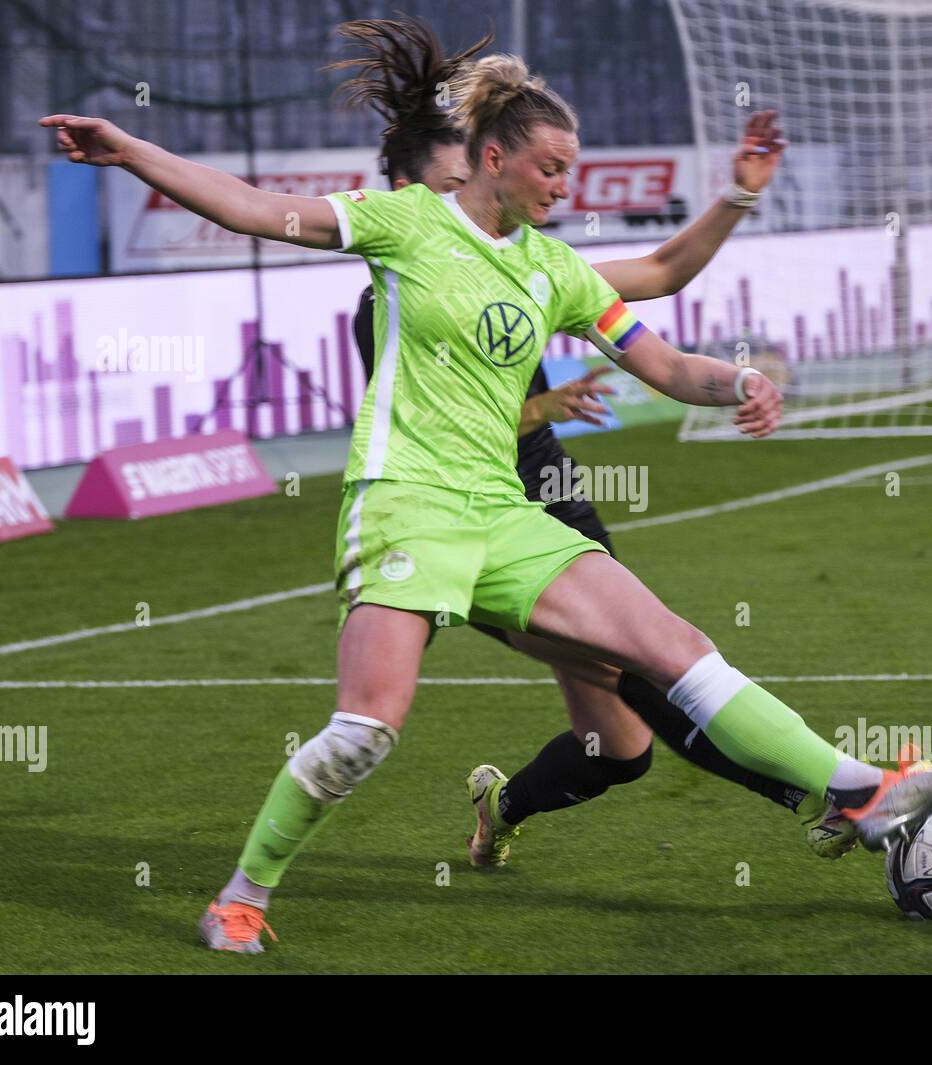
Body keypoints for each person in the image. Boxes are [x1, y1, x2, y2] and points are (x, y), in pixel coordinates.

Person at [40, 43, 932, 955]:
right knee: (366, 730)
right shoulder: (406, 223)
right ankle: (242, 898)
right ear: (493, 158)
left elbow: (663, 362)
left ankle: (861, 790)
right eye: (552, 167)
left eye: (572, 170)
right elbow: (250, 206)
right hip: (406, 505)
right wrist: (129, 151)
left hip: (504, 515)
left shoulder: (554, 268)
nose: (565, 186)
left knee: (676, 650)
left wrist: (737, 383)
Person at [333, 17, 857, 866]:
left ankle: (499, 807)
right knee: (645, 670)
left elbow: (660, 275)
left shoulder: (529, 259)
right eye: (444, 182)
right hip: (461, 525)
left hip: (549, 502)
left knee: (618, 747)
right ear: (402, 191)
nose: (464, 193)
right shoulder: (388, 301)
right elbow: (421, 431)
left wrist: (742, 194)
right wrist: (546, 408)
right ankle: (826, 795)